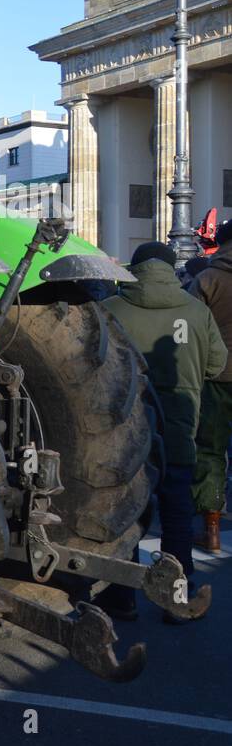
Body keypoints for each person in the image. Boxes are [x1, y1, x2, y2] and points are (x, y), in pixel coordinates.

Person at [104, 242, 226, 619]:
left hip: (124, 431)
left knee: (125, 514)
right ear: (173, 268)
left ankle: (119, 599)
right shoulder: (195, 309)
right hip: (178, 427)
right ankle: (176, 597)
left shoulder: (109, 309)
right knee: (175, 513)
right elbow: (217, 365)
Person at [187, 220, 232, 553]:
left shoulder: (207, 279)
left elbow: (190, 334)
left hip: (214, 377)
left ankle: (212, 531)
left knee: (210, 451)